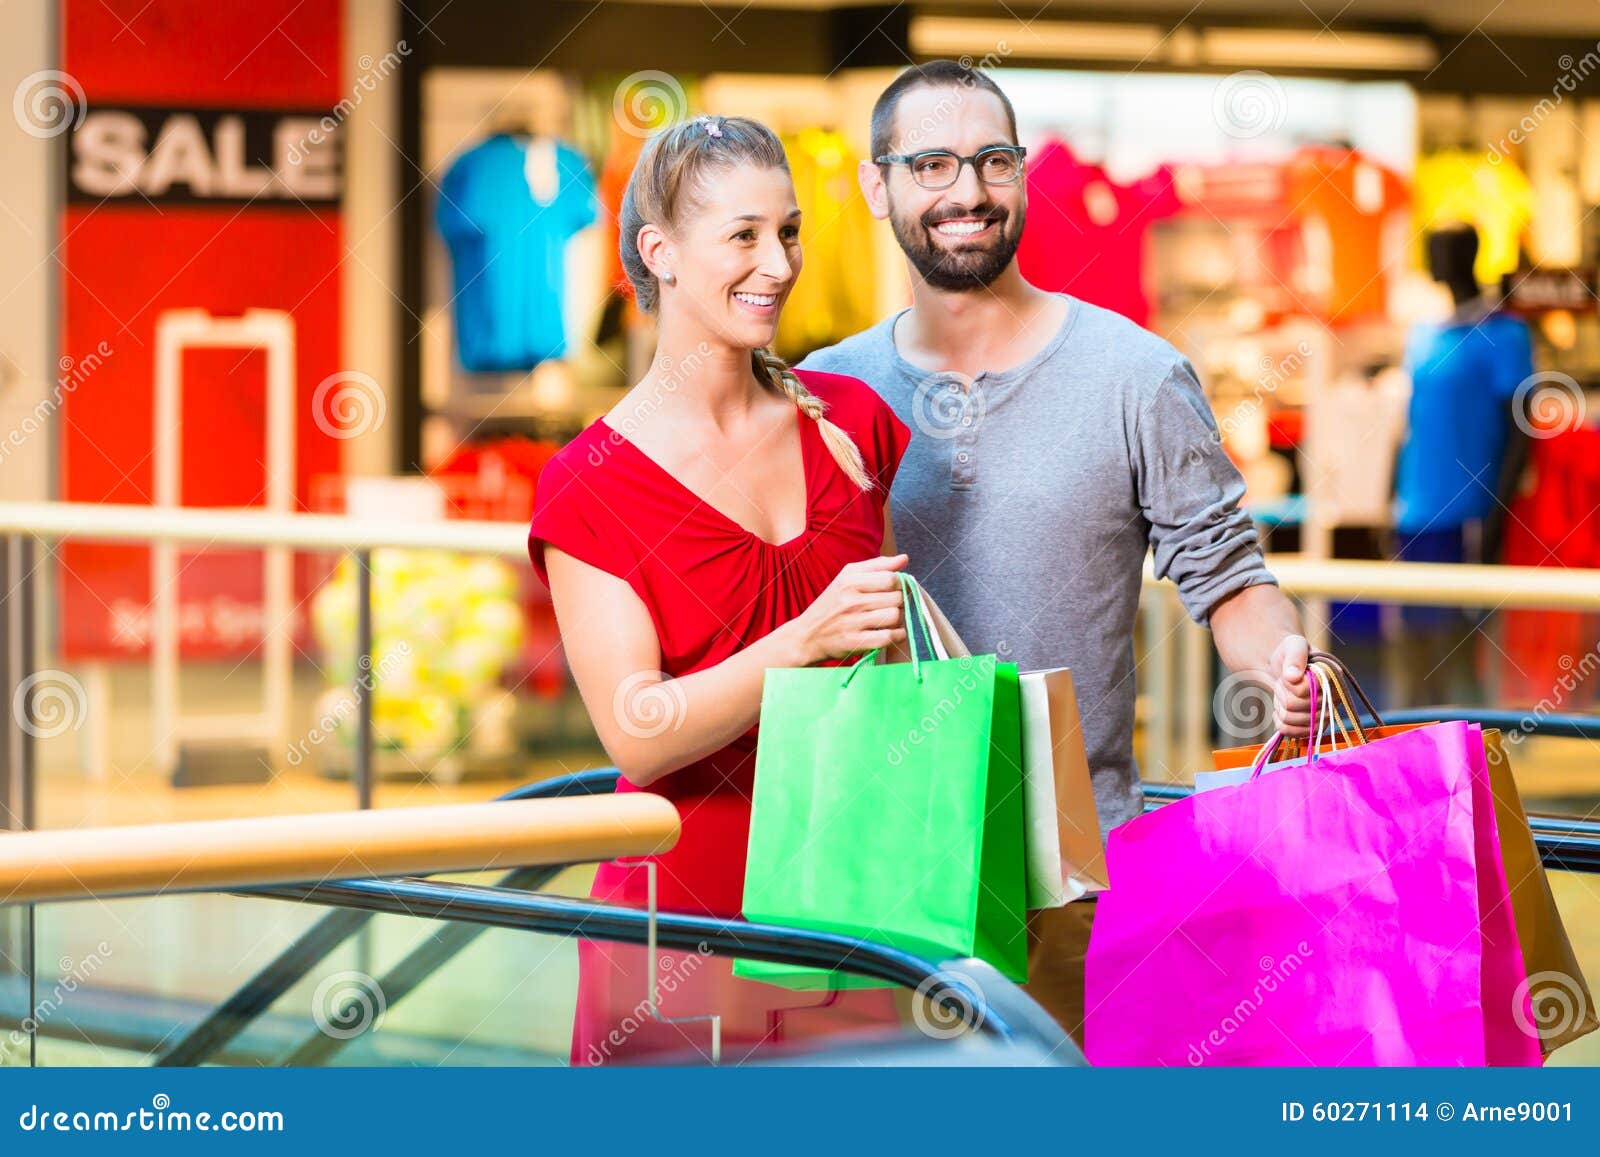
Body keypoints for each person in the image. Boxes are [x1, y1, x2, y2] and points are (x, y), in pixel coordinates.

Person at [798, 61, 1314, 1049]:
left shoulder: (1136, 375)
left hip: (1067, 870)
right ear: (875, 185)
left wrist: (1279, 659)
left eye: (993, 161)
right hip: (875, 858)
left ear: (1022, 173)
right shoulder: (826, 390)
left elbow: (1227, 575)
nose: (967, 191)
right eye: (932, 164)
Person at [527, 115, 912, 1064]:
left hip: (859, 903)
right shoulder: (591, 485)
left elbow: (895, 661)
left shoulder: (852, 425)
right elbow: (638, 732)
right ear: (658, 252)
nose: (777, 264)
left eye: (788, 232)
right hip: (682, 923)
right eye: (743, 235)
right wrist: (804, 640)